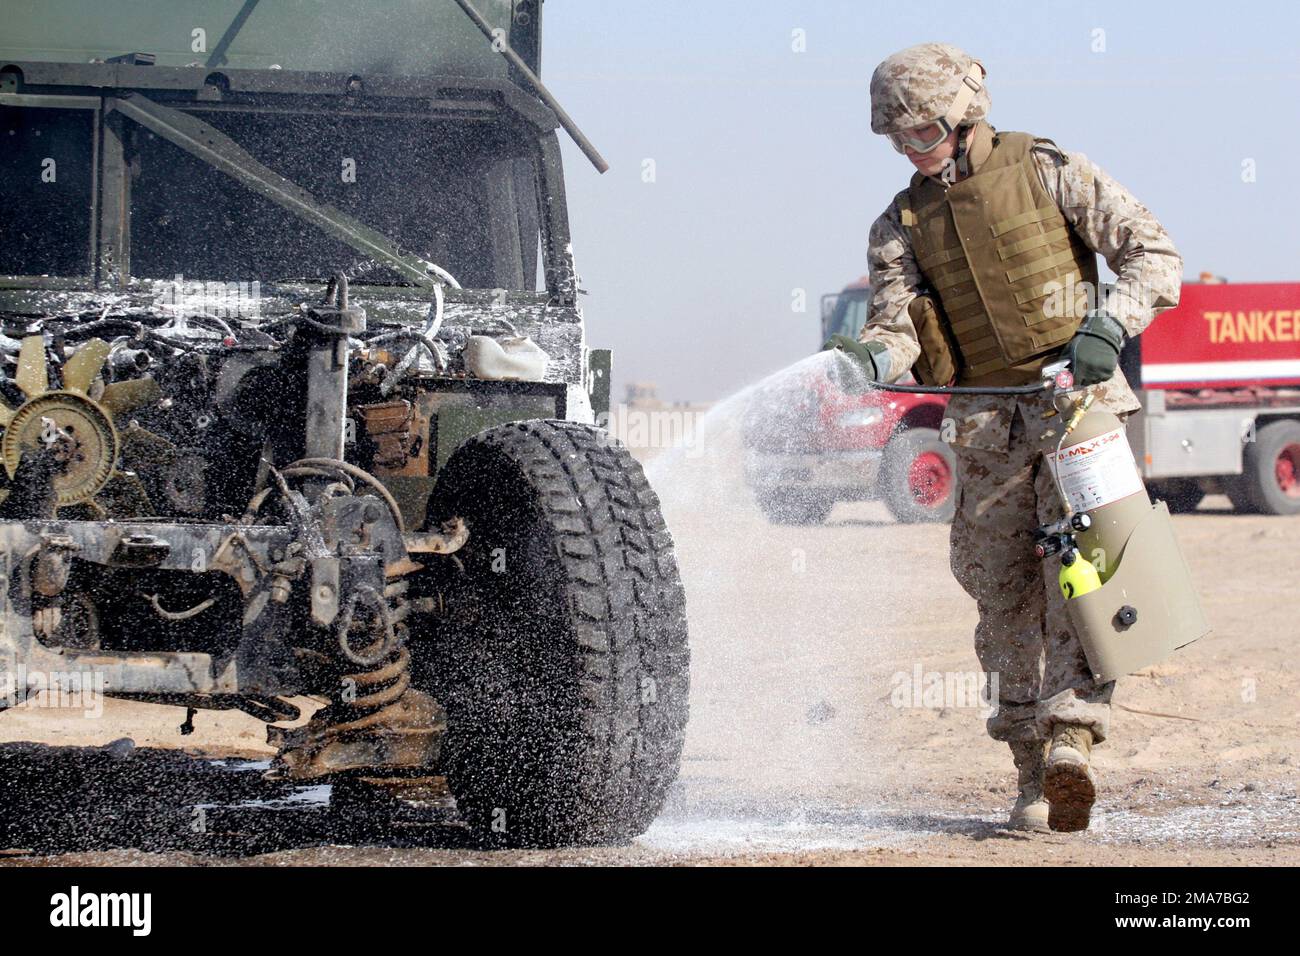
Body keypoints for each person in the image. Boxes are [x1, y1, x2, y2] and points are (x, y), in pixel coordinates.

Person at [828, 42, 1183, 832]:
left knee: (1088, 573)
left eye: (923, 130)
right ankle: (1029, 769)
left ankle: (1072, 740)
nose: (911, 148)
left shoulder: (1050, 170)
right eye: (898, 137)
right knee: (998, 595)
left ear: (963, 113)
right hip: (986, 421)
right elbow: (899, 328)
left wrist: (1110, 326)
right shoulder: (900, 223)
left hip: (1075, 403)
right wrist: (874, 355)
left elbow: (1155, 255)